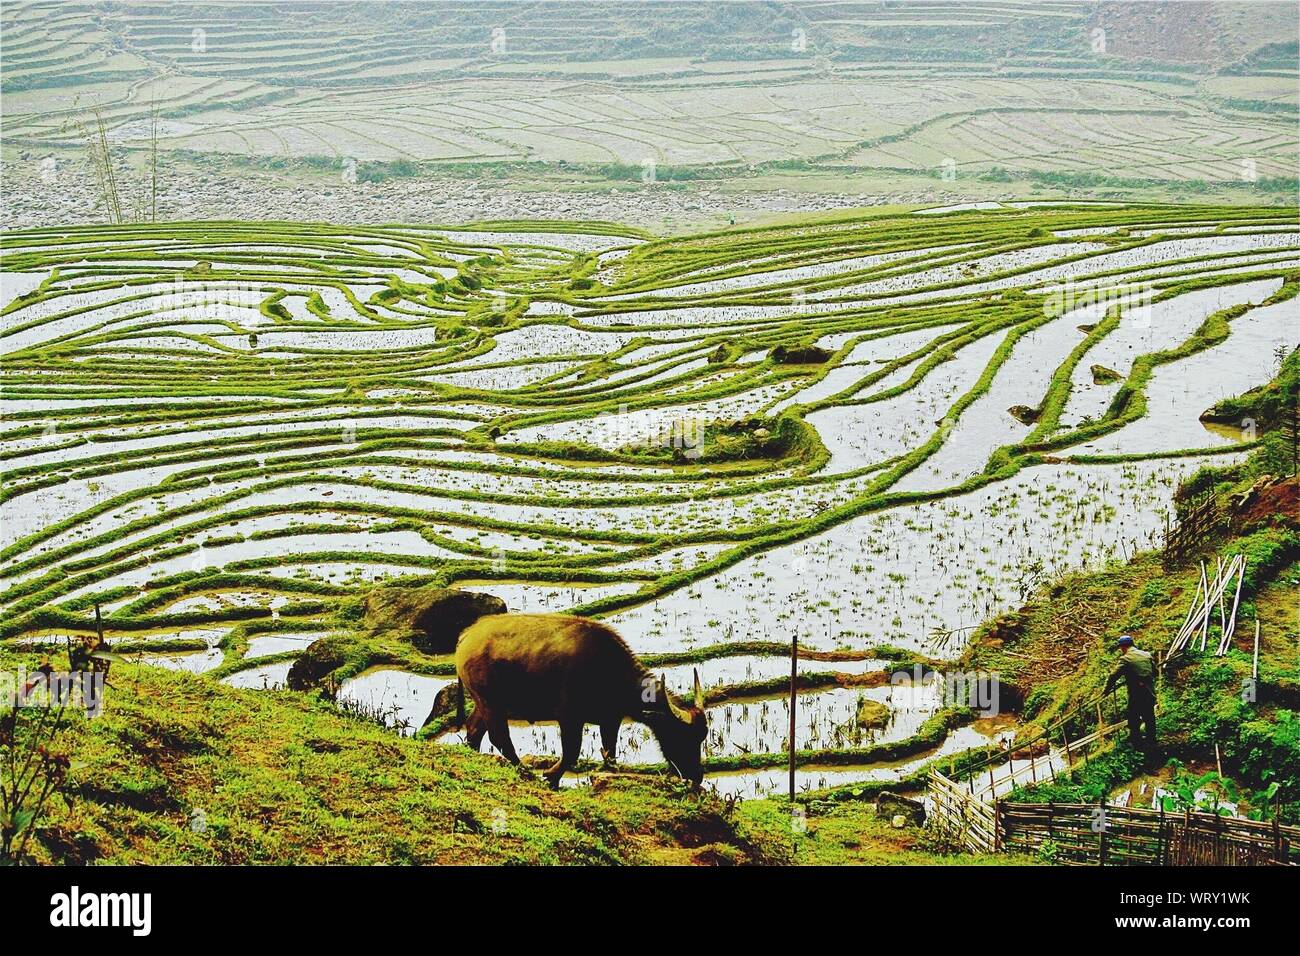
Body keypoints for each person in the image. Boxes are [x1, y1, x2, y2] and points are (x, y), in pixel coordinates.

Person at [1102, 635, 1157, 759]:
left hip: (1137, 696)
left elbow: (1113, 676)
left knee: (1134, 719)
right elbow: (1154, 671)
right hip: (1150, 693)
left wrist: (1106, 691)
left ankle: (1137, 746)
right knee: (1150, 719)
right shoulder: (1146, 654)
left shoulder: (1126, 659)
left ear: (1123, 647)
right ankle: (1152, 744)